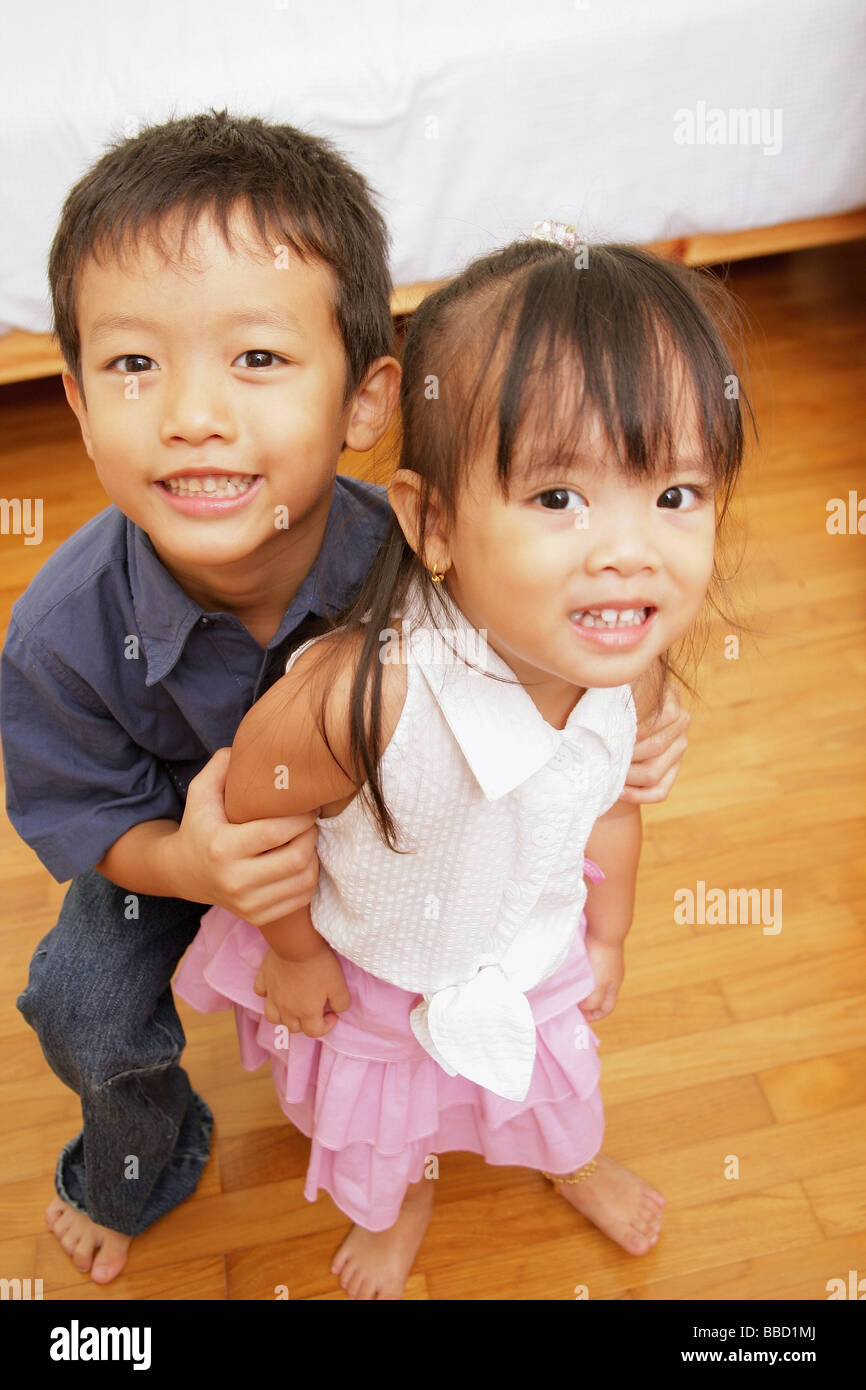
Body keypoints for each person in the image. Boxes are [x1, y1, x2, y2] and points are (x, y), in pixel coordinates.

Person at [0, 115, 687, 1288]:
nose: (192, 414)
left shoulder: (427, 541)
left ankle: (522, 1137)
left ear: (367, 399)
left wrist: (645, 701)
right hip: (185, 854)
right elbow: (85, 817)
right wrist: (196, 867)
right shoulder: (59, 631)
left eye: (256, 359)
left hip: (398, 851)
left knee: (498, 963)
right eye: (133, 364)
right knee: (81, 1007)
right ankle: (138, 1162)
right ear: (72, 397)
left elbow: (572, 600)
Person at [176, 230, 750, 1299]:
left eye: (673, 494)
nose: (628, 548)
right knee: (385, 1130)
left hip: (529, 949)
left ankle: (565, 1162)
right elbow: (261, 820)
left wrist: (607, 930)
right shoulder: (361, 694)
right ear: (431, 521)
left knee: (552, 1086)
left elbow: (607, 807)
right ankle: (401, 1207)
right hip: (377, 972)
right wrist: (294, 954)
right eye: (556, 497)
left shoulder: (628, 658)